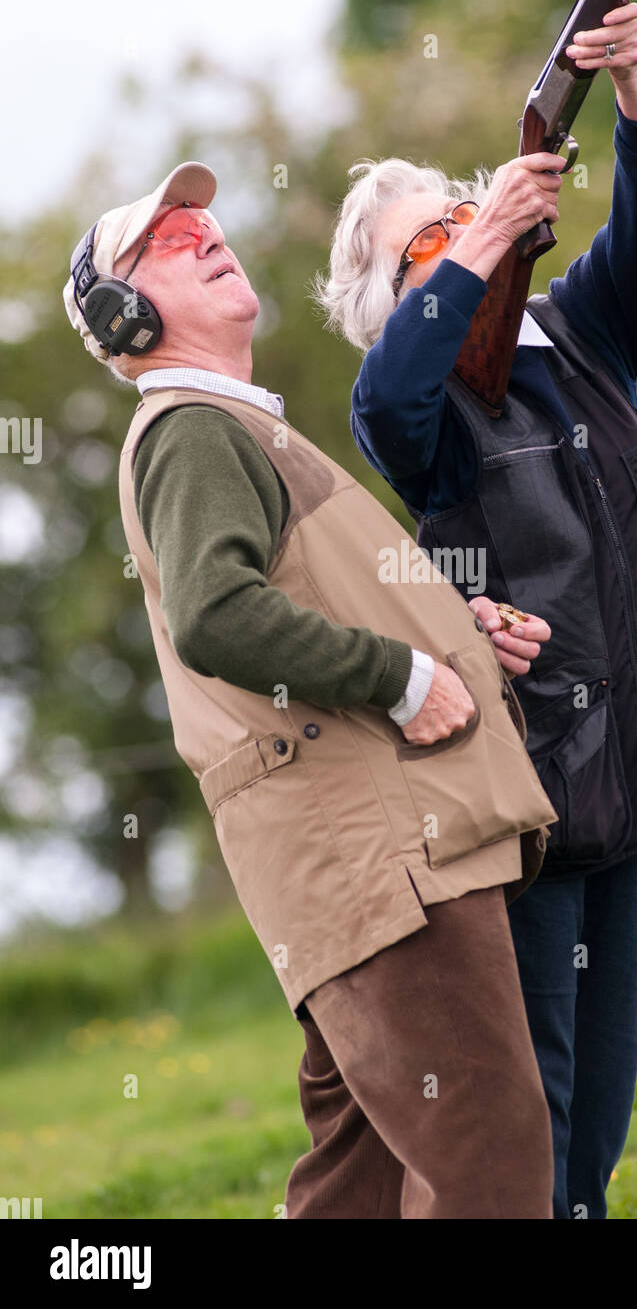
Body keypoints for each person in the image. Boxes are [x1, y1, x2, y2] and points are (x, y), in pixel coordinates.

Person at [316, 2, 637, 1219]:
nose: (463, 241)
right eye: (427, 245)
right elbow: (387, 384)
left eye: (468, 217)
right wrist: (477, 244)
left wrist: (629, 92)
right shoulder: (413, 411)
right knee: (539, 1125)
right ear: (392, 295)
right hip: (528, 804)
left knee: (600, 1120)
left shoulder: (579, 340)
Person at [62, 161, 559, 1219]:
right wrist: (401, 673)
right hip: (381, 865)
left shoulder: (235, 428)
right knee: (490, 1163)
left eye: (203, 218)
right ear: (124, 315)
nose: (202, 232)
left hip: (352, 867)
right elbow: (217, 614)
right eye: (163, 239)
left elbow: (290, 595)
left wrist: (449, 631)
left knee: (355, 1185)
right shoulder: (194, 429)